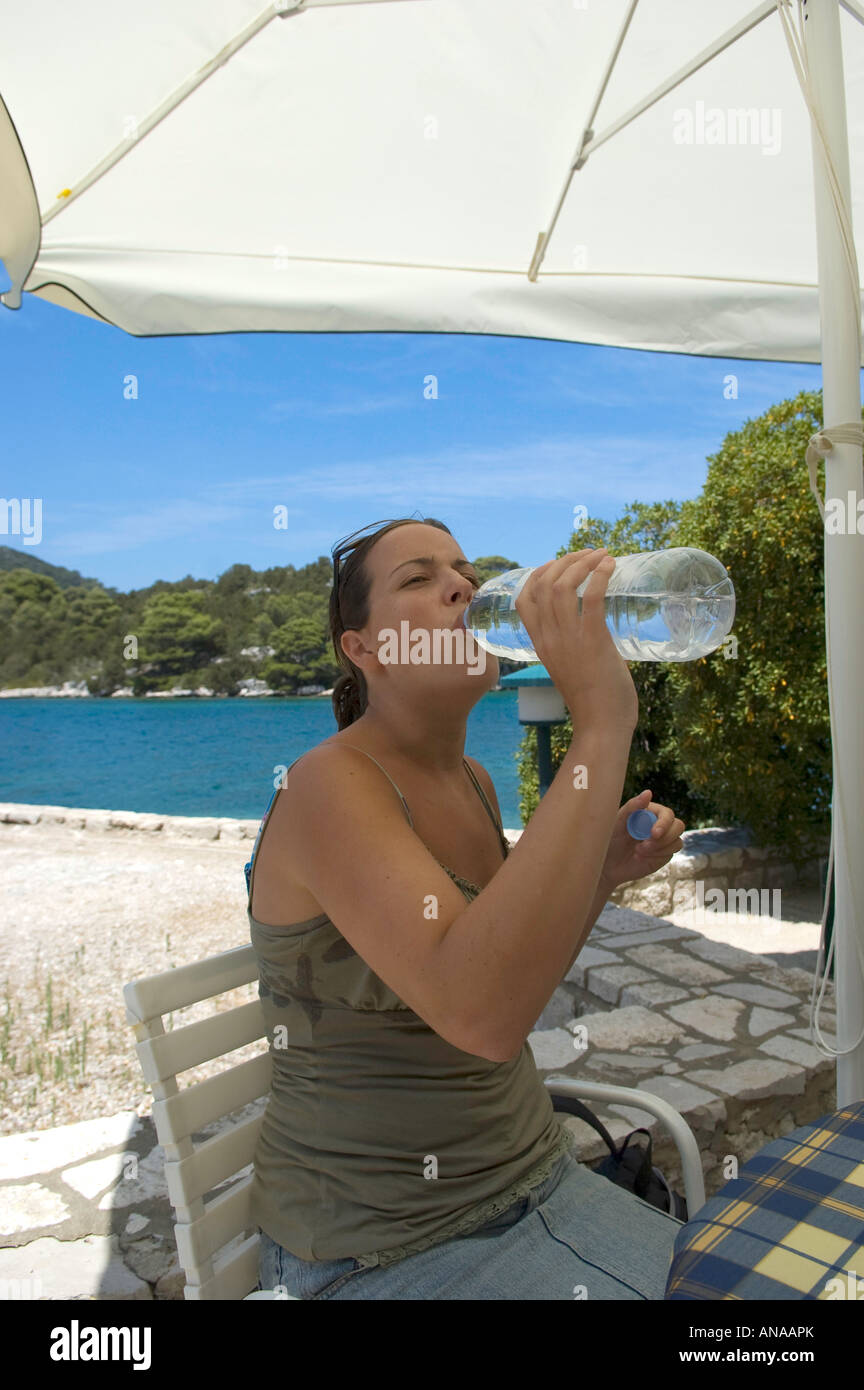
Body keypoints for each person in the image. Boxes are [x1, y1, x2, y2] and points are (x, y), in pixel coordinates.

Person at [248, 514, 686, 1300]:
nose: (464, 586)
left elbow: (508, 979)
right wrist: (603, 716)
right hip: (387, 1246)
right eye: (419, 579)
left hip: (536, 1183)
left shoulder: (475, 782)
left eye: (466, 573)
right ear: (365, 647)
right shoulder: (328, 785)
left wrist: (602, 876)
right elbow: (481, 1013)